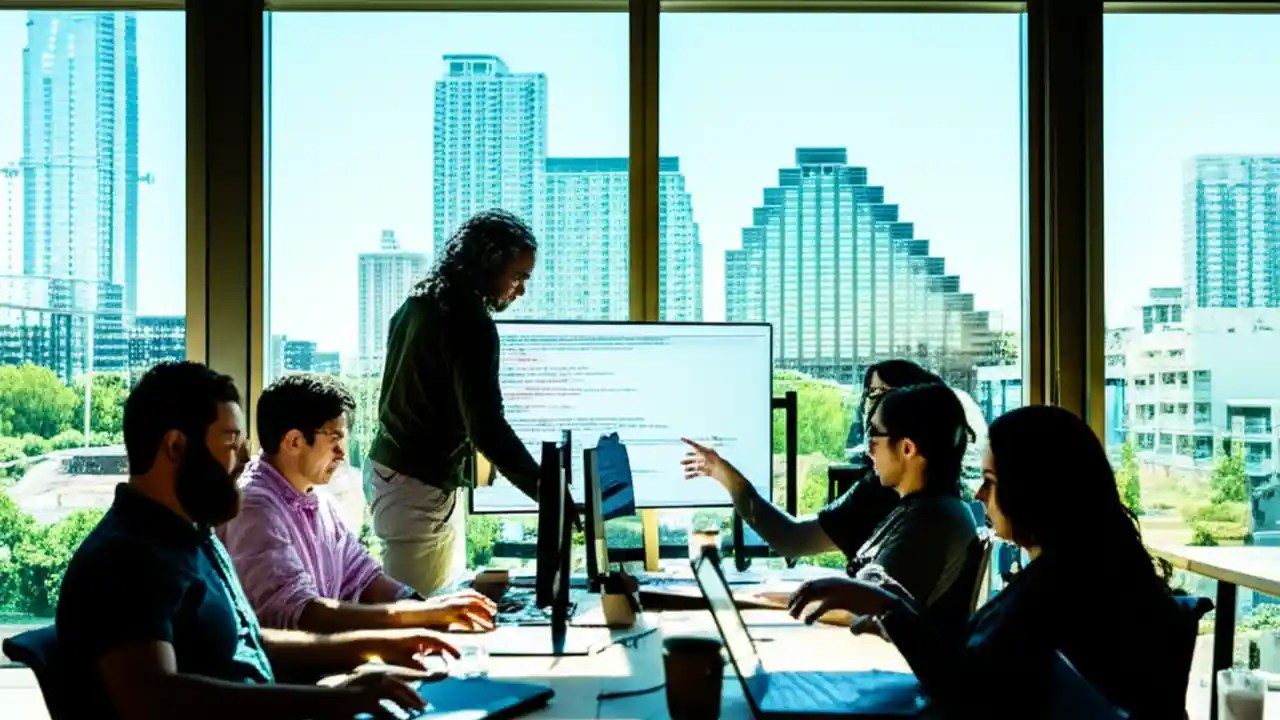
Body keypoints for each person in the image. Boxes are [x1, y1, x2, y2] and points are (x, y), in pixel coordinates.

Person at [56, 361, 460, 720]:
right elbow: (154, 700)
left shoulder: (192, 537)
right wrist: (335, 701)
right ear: (176, 447)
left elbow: (249, 640)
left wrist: (377, 646)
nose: (247, 459)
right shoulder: (126, 558)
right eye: (231, 442)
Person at [787, 405, 1187, 719]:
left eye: (991, 481)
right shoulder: (1087, 574)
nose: (978, 494)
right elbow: (976, 663)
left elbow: (968, 691)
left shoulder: (1058, 591)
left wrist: (889, 608)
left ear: (1032, 492)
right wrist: (897, 607)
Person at [685, 383, 979, 635]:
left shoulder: (928, 525)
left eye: (874, 435)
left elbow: (868, 614)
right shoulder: (924, 510)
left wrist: (770, 600)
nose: (868, 449)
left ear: (907, 448)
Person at [222, 373, 498, 634]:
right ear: (294, 441)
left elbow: (363, 576)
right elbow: (299, 613)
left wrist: (422, 605)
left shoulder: (319, 500)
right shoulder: (255, 508)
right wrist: (417, 616)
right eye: (334, 440)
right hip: (285, 678)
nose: (342, 454)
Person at [366, 208, 541, 597]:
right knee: (420, 619)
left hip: (396, 475)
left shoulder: (420, 302)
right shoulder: (469, 321)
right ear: (489, 265)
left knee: (435, 603)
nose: (521, 290)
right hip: (417, 486)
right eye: (518, 277)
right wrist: (549, 494)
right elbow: (487, 428)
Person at [681, 359, 942, 565]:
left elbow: (792, 539)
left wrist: (728, 478)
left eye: (881, 394)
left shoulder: (887, 492)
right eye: (870, 394)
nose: (869, 406)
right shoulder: (935, 497)